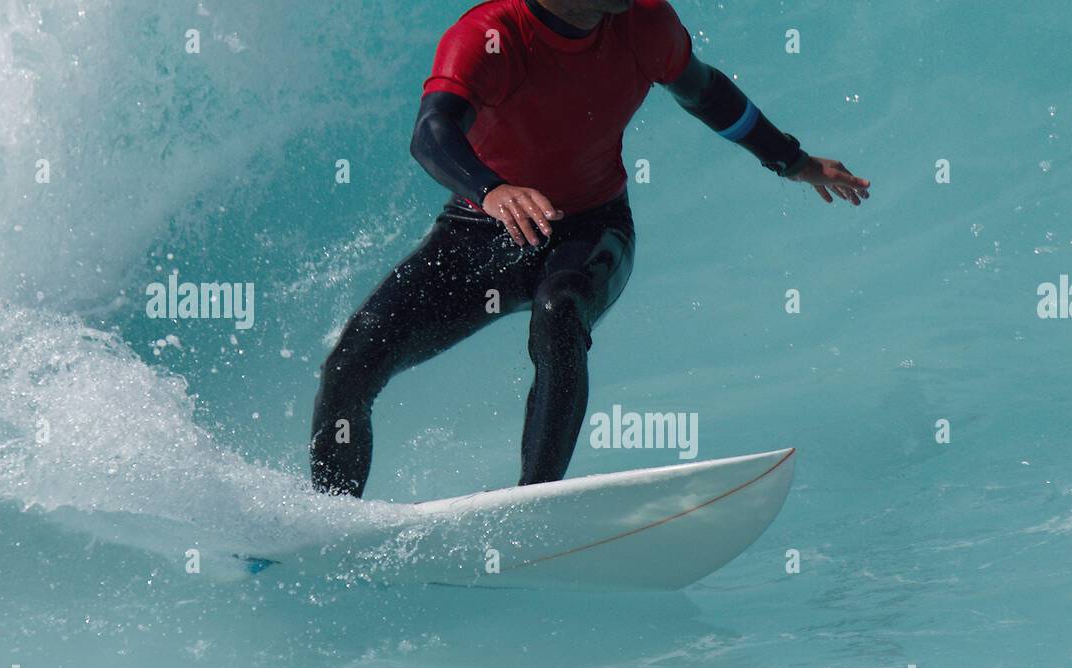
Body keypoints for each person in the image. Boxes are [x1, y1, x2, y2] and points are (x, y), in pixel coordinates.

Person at [310, 0, 869, 497]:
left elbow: (707, 94)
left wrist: (791, 160)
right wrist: (492, 190)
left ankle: (536, 508)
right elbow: (431, 132)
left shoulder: (644, 23)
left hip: (592, 227)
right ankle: (329, 525)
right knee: (349, 367)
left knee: (561, 312)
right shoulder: (489, 35)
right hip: (481, 227)